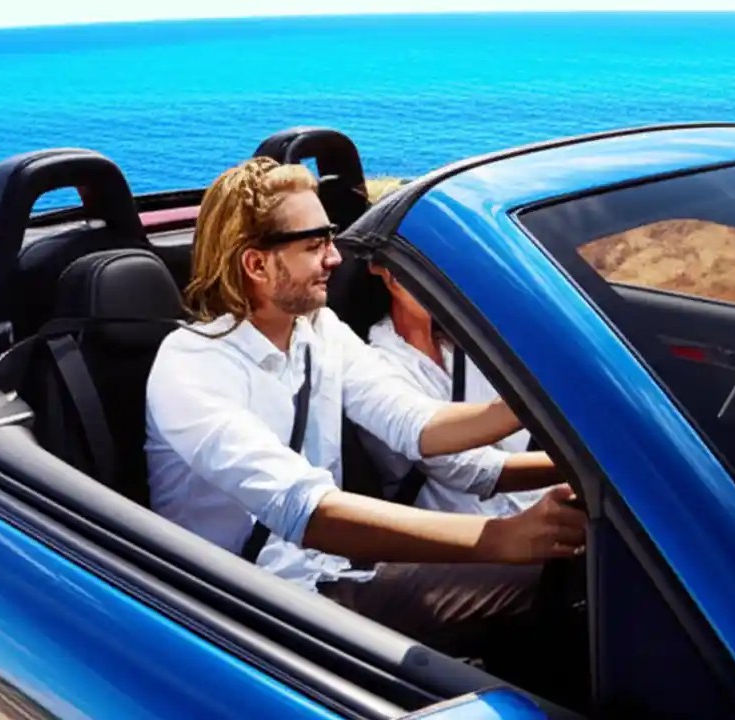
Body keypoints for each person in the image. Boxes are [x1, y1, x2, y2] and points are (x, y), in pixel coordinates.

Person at [144, 157, 586, 693]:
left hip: (335, 577)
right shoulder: (191, 365)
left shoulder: (319, 331)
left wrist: (540, 397)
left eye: (329, 238)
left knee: (580, 577)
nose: (335, 257)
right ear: (256, 265)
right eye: (313, 245)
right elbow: (305, 511)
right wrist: (499, 538)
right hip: (253, 613)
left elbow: (417, 425)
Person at [360, 261, 555, 516]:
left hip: (539, 511)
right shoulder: (375, 367)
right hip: (466, 541)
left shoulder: (468, 342)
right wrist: (585, 469)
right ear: (388, 275)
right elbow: (466, 469)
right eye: (426, 271)